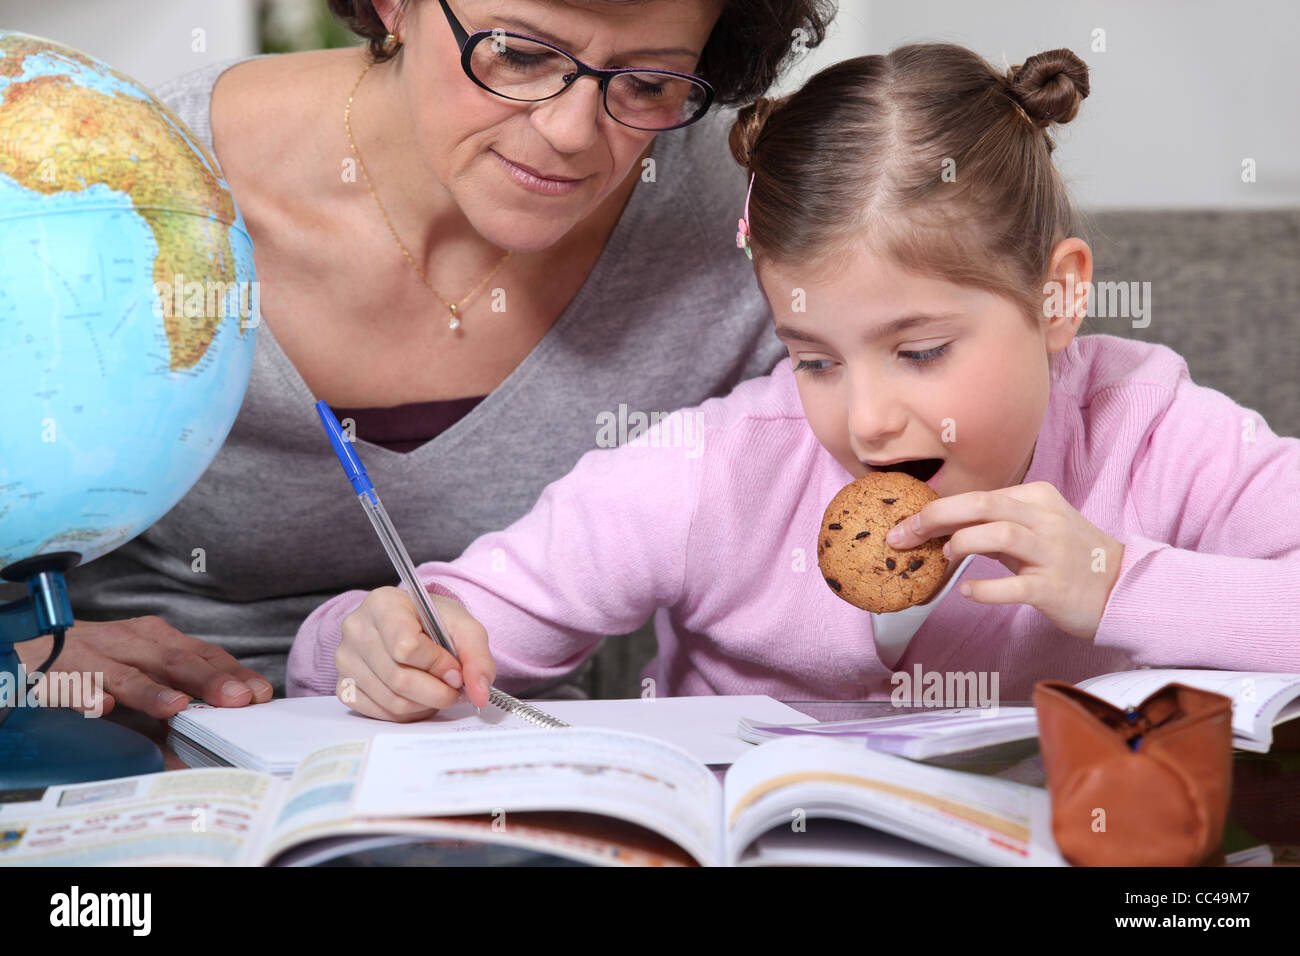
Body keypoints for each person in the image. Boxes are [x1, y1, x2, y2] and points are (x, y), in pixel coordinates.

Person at [286, 43, 1300, 719]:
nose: (863, 418)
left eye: (919, 349)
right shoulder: (717, 471)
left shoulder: (1158, 431)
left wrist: (1116, 584)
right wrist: (375, 645)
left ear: (1057, 296)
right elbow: (427, 625)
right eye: (812, 358)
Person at [15, 0, 837, 718]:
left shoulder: (747, 219)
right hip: (131, 750)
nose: (571, 132)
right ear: (395, 4)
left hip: (525, 759)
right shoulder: (95, 196)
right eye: (518, 53)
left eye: (649, 82)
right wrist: (11, 664)